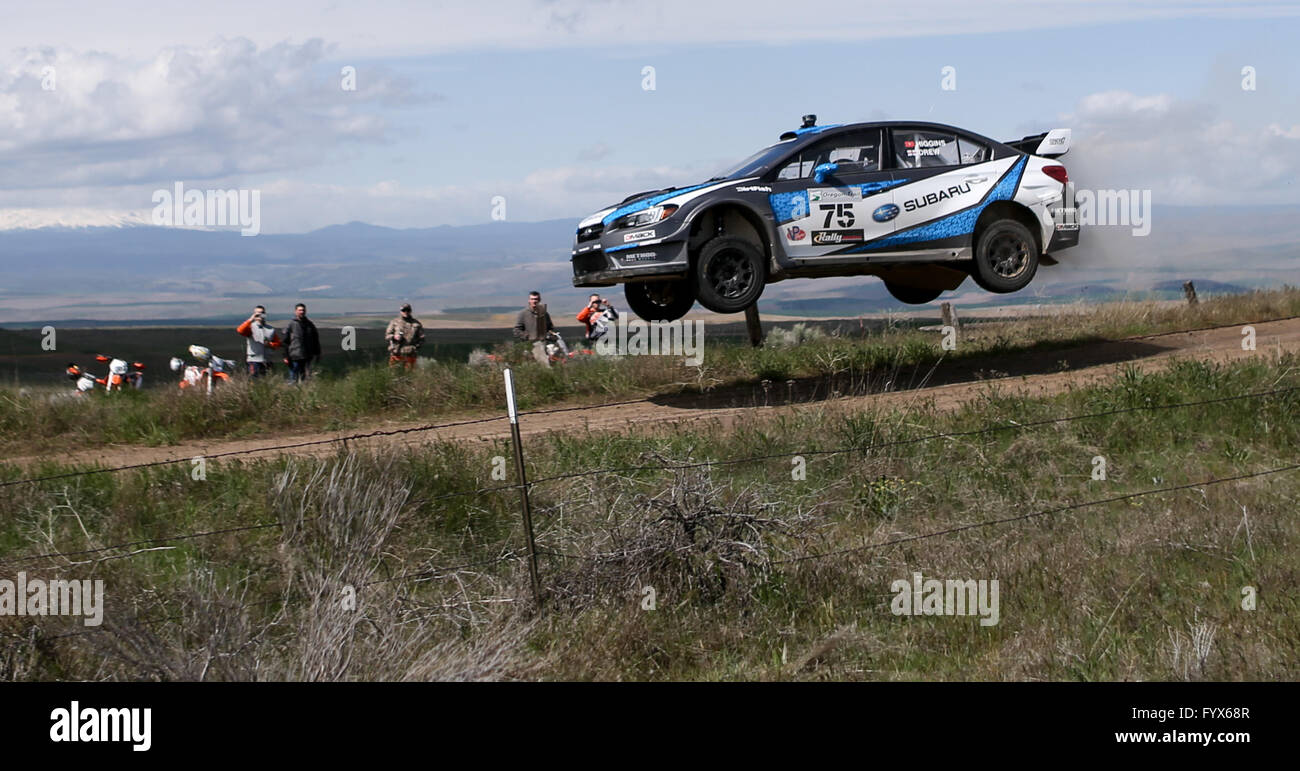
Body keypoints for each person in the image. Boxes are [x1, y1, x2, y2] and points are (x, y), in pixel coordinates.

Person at [280, 303, 321, 383]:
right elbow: (285, 341)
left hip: (307, 355)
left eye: (303, 310)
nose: (301, 312)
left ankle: (302, 393)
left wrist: (318, 353)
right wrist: (285, 355)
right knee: (293, 378)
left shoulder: (310, 325)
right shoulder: (292, 324)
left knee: (305, 378)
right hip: (294, 355)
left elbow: (315, 340)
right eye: (300, 310)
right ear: (296, 311)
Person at [236, 305, 281, 377]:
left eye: (262, 313)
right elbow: (240, 330)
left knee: (267, 381)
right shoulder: (250, 327)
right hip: (254, 360)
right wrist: (251, 319)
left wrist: (270, 344)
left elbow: (278, 343)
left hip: (267, 360)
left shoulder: (270, 329)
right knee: (254, 381)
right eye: (257, 313)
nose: (260, 315)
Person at [514, 291, 556, 364]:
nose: (534, 301)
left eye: (536, 299)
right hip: (531, 344)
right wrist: (526, 336)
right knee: (544, 364)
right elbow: (517, 330)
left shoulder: (544, 313)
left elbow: (550, 328)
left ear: (539, 300)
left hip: (545, 343)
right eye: (532, 299)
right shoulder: (523, 313)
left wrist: (551, 335)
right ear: (529, 300)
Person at [385, 303, 425, 369]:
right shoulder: (394, 322)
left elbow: (422, 338)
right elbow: (387, 336)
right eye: (404, 310)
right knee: (394, 375)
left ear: (410, 311)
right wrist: (394, 337)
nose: (406, 312)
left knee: (409, 375)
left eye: (408, 310)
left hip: (410, 354)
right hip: (396, 353)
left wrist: (416, 347)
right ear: (401, 311)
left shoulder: (416, 324)